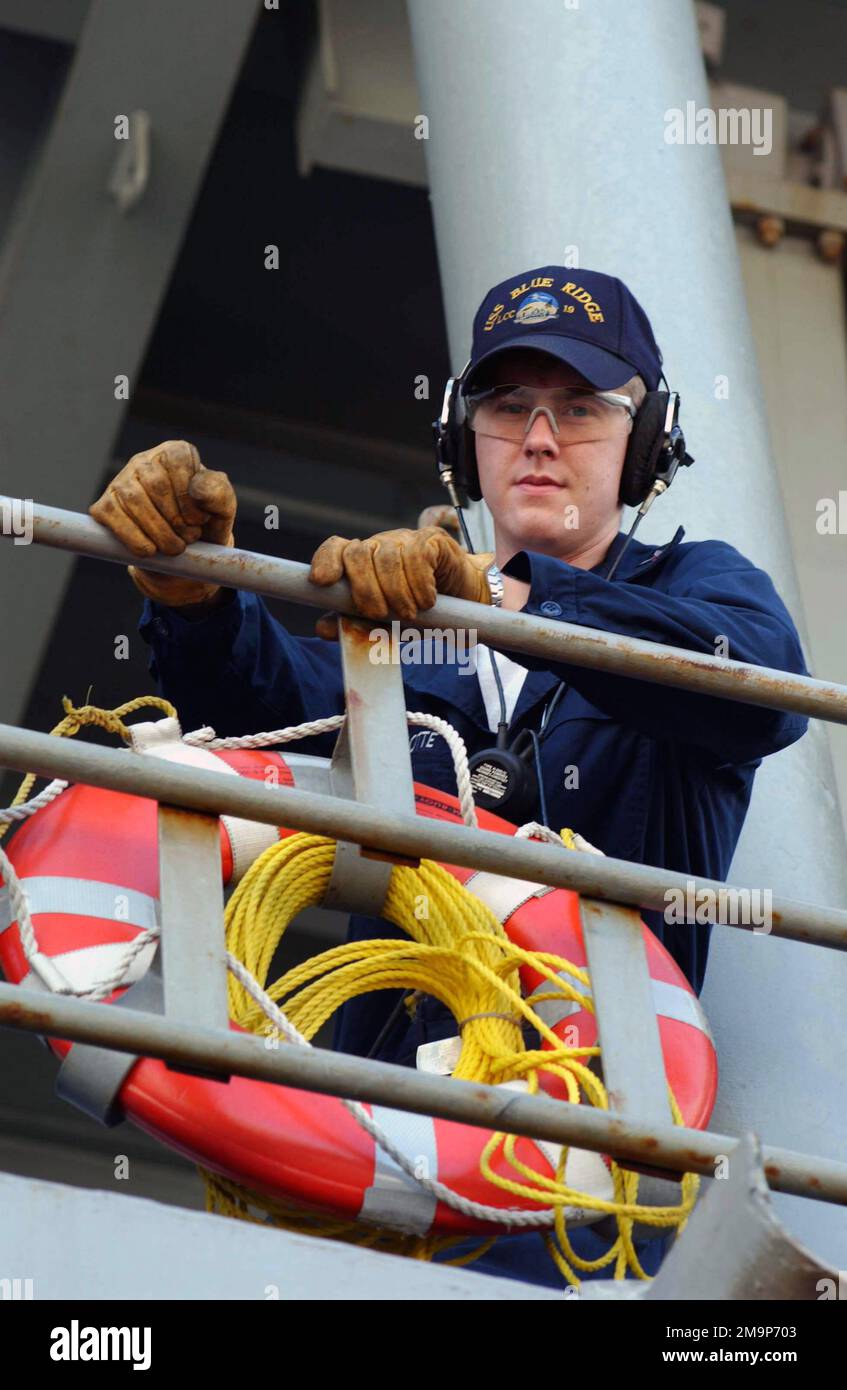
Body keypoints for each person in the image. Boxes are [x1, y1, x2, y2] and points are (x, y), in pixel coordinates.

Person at [89, 265, 809, 1289]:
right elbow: (269, 716)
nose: (541, 437)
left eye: (581, 408)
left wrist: (515, 597)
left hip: (586, 1182)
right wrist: (196, 591)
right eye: (508, 405)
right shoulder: (409, 637)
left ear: (645, 445)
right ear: (463, 441)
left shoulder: (696, 589)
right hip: (372, 1151)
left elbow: (761, 686)